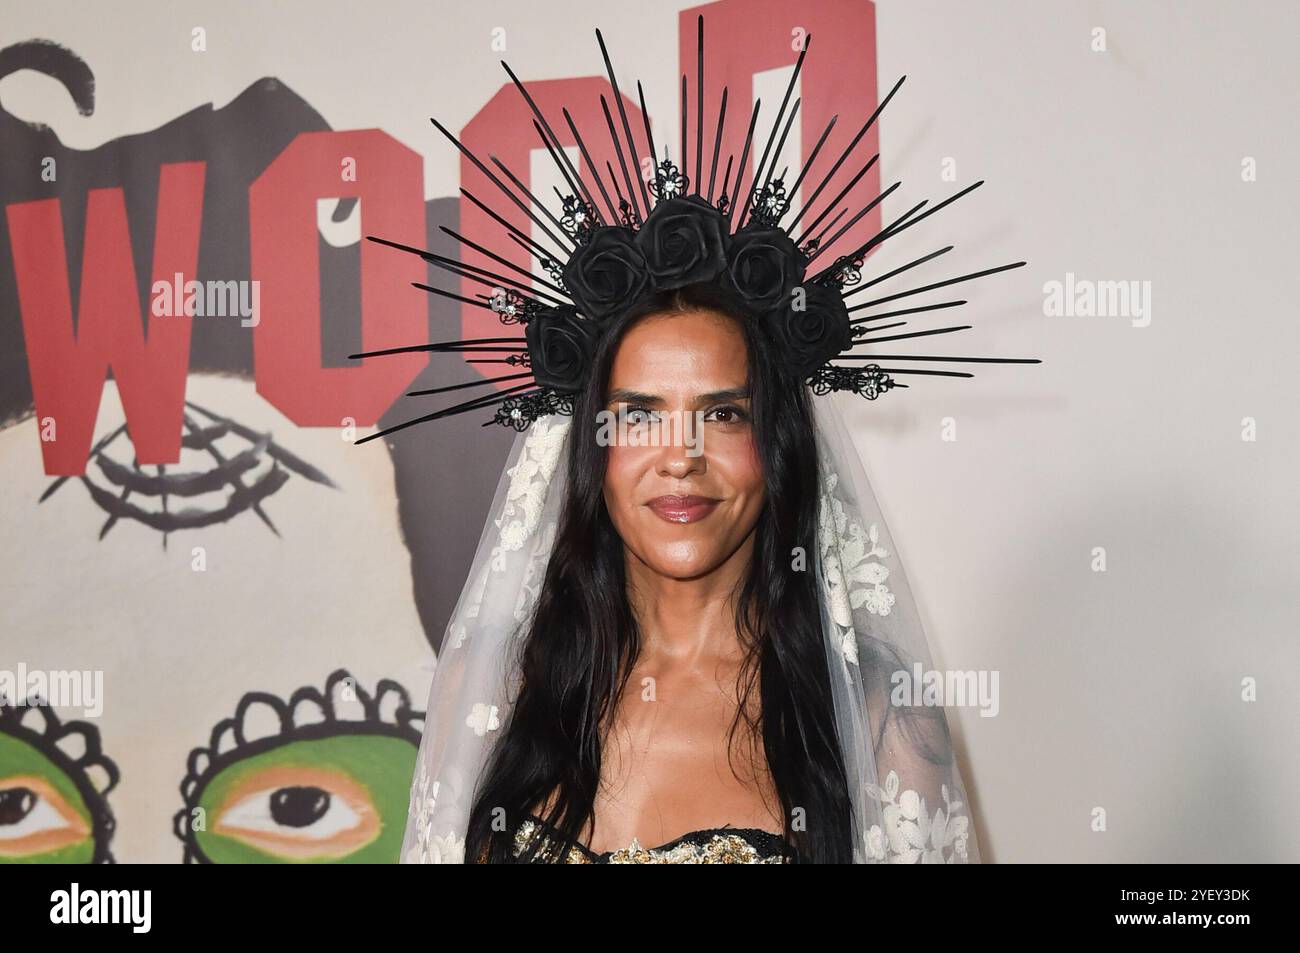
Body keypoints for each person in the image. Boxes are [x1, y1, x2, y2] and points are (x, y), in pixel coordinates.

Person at [366, 15, 1037, 864]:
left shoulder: (872, 718)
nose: (680, 455)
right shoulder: (494, 690)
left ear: (780, 444)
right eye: (640, 414)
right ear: (593, 451)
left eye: (725, 414)